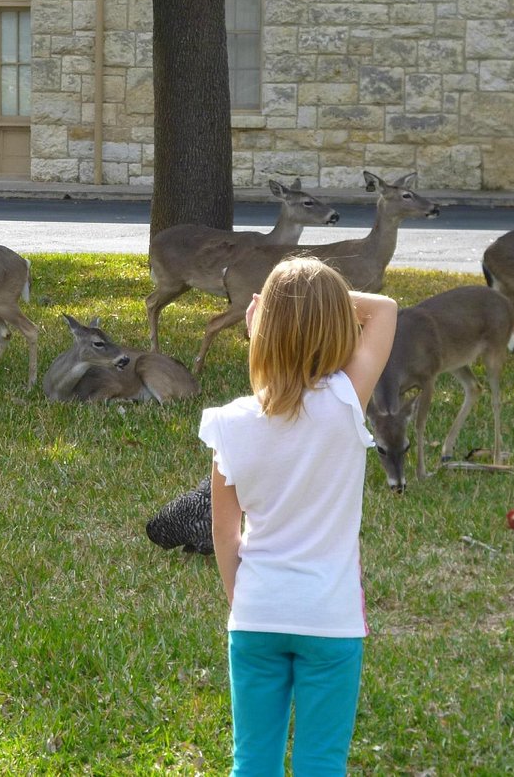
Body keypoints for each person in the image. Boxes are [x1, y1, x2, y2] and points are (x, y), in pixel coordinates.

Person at [199, 257, 398, 776]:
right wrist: (322, 303)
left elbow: (225, 533)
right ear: (337, 329)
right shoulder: (346, 402)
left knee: (252, 762)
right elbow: (385, 310)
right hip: (330, 620)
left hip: (257, 612)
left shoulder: (229, 423)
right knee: (321, 763)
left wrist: (241, 600)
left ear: (257, 326)